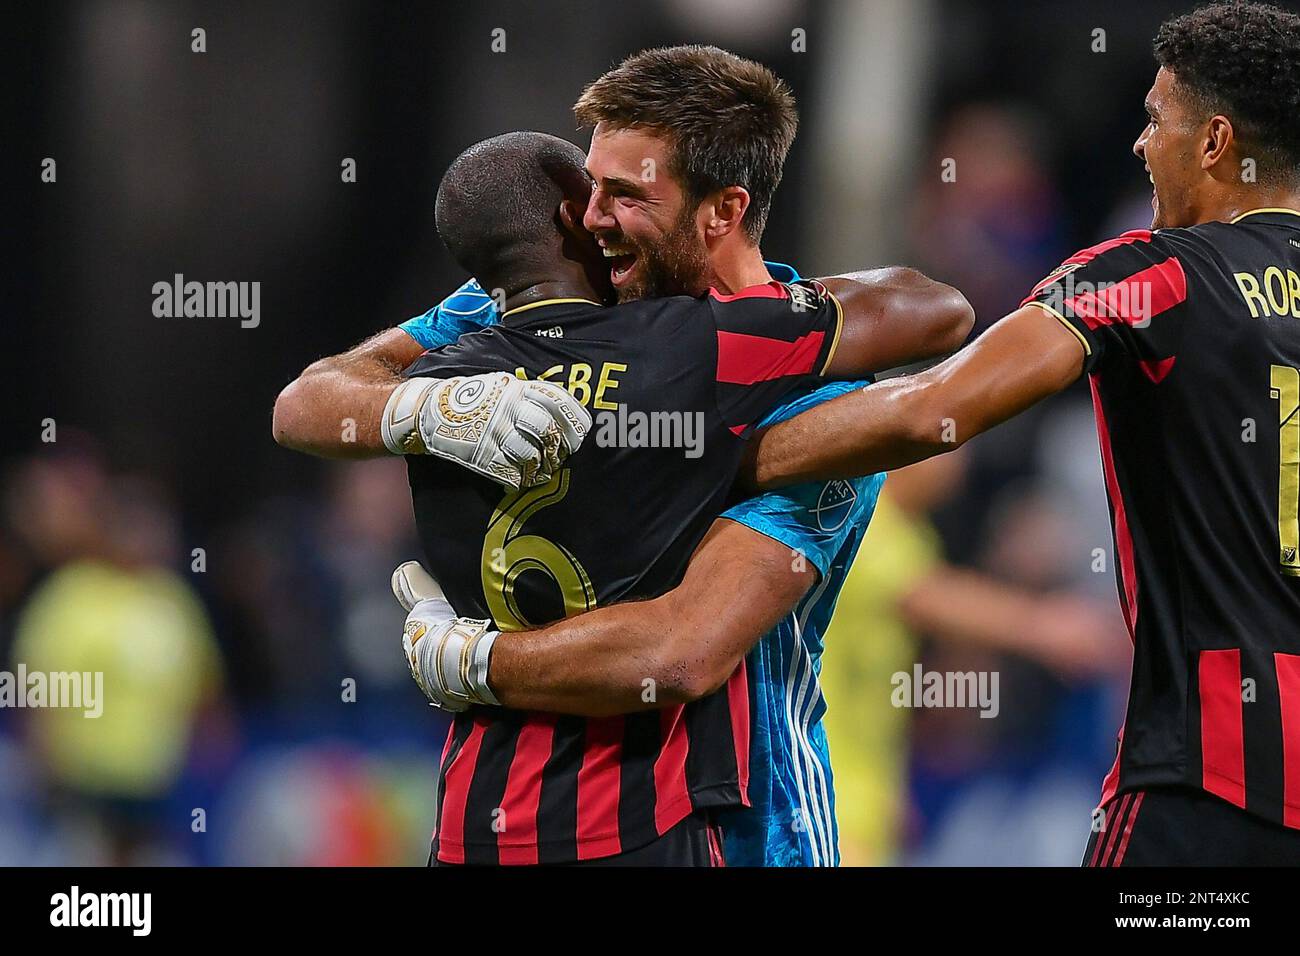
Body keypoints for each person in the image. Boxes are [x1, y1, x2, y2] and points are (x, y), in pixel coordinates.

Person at [276, 47, 972, 866]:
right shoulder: (564, 293)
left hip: (745, 825)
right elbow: (308, 403)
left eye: (626, 195)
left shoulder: (809, 393)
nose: (590, 218)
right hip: (516, 811)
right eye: (589, 186)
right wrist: (422, 406)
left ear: (722, 211)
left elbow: (680, 651)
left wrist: (477, 660)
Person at [734, 2, 1300, 865]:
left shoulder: (1154, 276)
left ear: (1216, 142)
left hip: (1210, 786)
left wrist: (725, 453)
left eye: (1156, 120)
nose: (1142, 146)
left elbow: (933, 408)